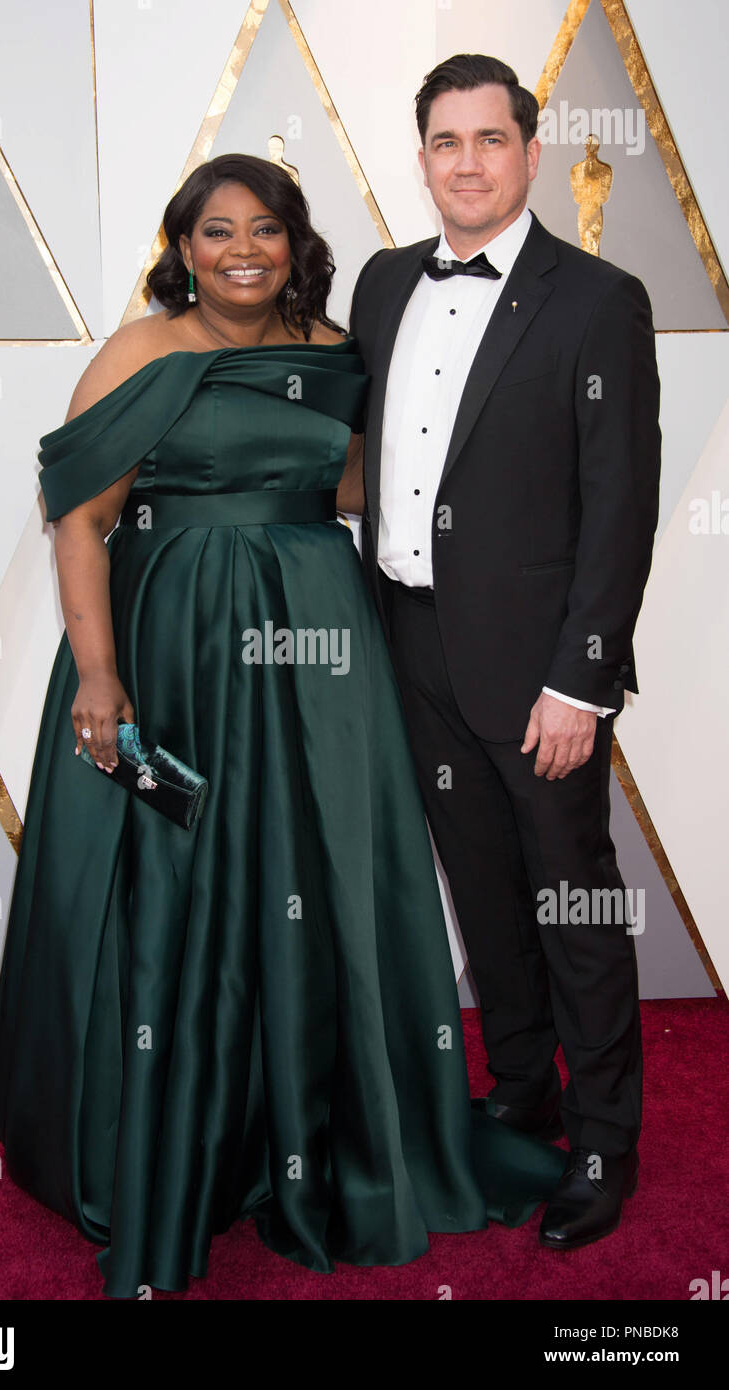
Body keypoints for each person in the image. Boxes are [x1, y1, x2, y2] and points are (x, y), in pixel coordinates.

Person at [0, 153, 564, 1298]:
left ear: (296, 242)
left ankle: (318, 1134)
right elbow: (80, 519)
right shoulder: (142, 352)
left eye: (264, 230)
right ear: (182, 248)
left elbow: (354, 487)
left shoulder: (335, 353)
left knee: (320, 877)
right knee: (180, 889)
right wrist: (99, 674)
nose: (241, 250)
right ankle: (176, 1150)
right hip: (176, 648)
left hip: (318, 651)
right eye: (215, 232)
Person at [349, 55, 661, 1250]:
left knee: (570, 900)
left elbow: (616, 503)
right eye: (444, 141)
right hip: (410, 642)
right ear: (420, 155)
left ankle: (601, 1140)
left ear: (530, 152)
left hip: (539, 669)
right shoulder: (382, 283)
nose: (466, 162)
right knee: (482, 890)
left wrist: (581, 674)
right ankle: (520, 1081)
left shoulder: (595, 298)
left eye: (489, 140)